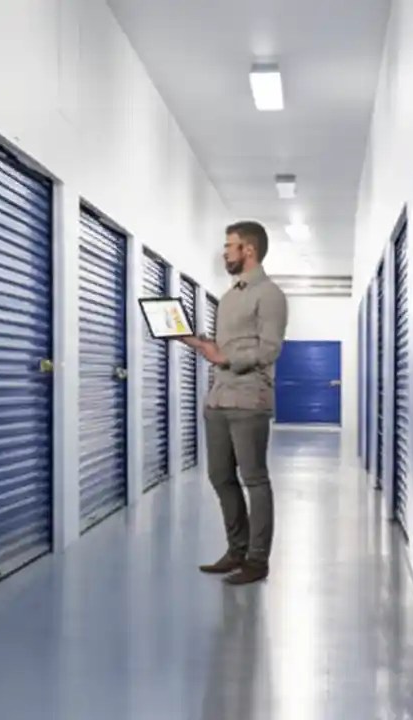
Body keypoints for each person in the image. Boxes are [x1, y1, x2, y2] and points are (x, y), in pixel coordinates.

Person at [179, 221, 289, 586]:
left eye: (229, 246)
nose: (224, 252)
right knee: (220, 476)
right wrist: (201, 343)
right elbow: (224, 349)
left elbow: (270, 349)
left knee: (254, 479)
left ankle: (257, 561)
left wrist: (226, 358)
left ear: (248, 250)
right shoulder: (228, 298)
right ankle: (236, 550)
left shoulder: (270, 295)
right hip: (218, 398)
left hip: (249, 399)